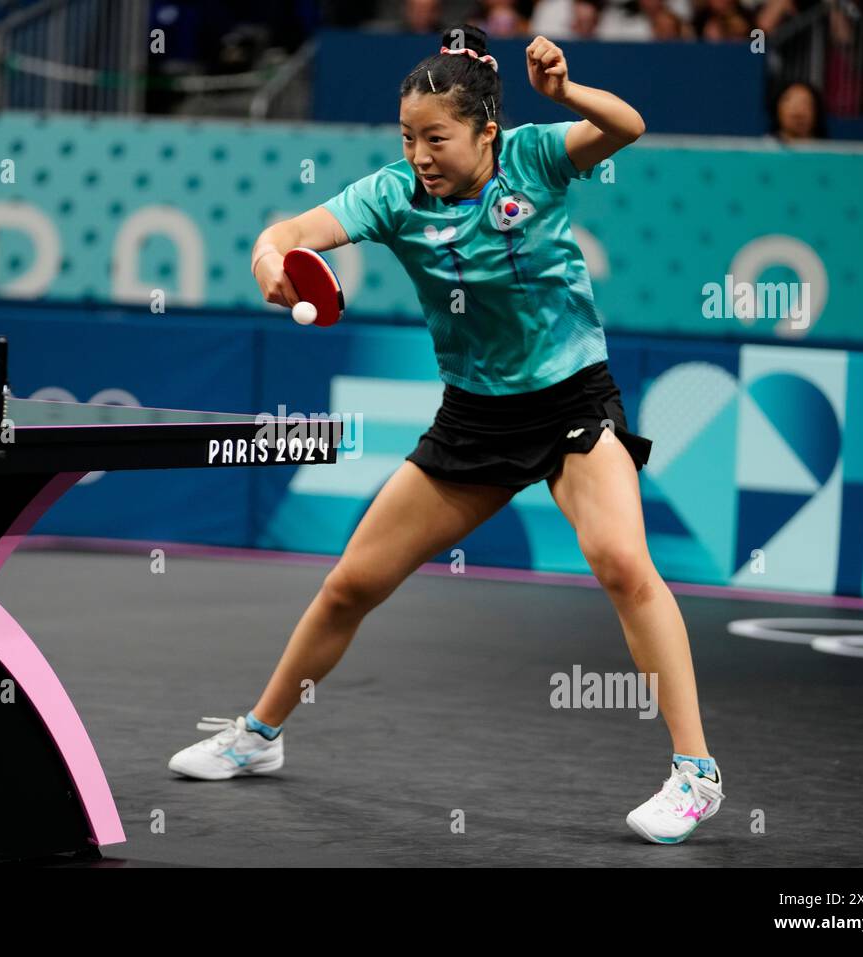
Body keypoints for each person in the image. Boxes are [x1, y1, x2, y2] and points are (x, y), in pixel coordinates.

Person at [170, 25, 725, 846]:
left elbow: (627, 126)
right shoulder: (394, 196)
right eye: (408, 137)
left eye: (437, 137)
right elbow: (288, 232)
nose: (420, 153)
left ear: (484, 132)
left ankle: (698, 773)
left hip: (571, 399)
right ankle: (258, 734)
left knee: (620, 561)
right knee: (352, 583)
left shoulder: (536, 157)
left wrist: (567, 92)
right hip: (473, 416)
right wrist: (267, 259)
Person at [768, 80, 827, 144]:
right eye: (791, 103)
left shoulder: (828, 150)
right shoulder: (763, 149)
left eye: (806, 104)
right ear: (777, 109)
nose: (799, 112)